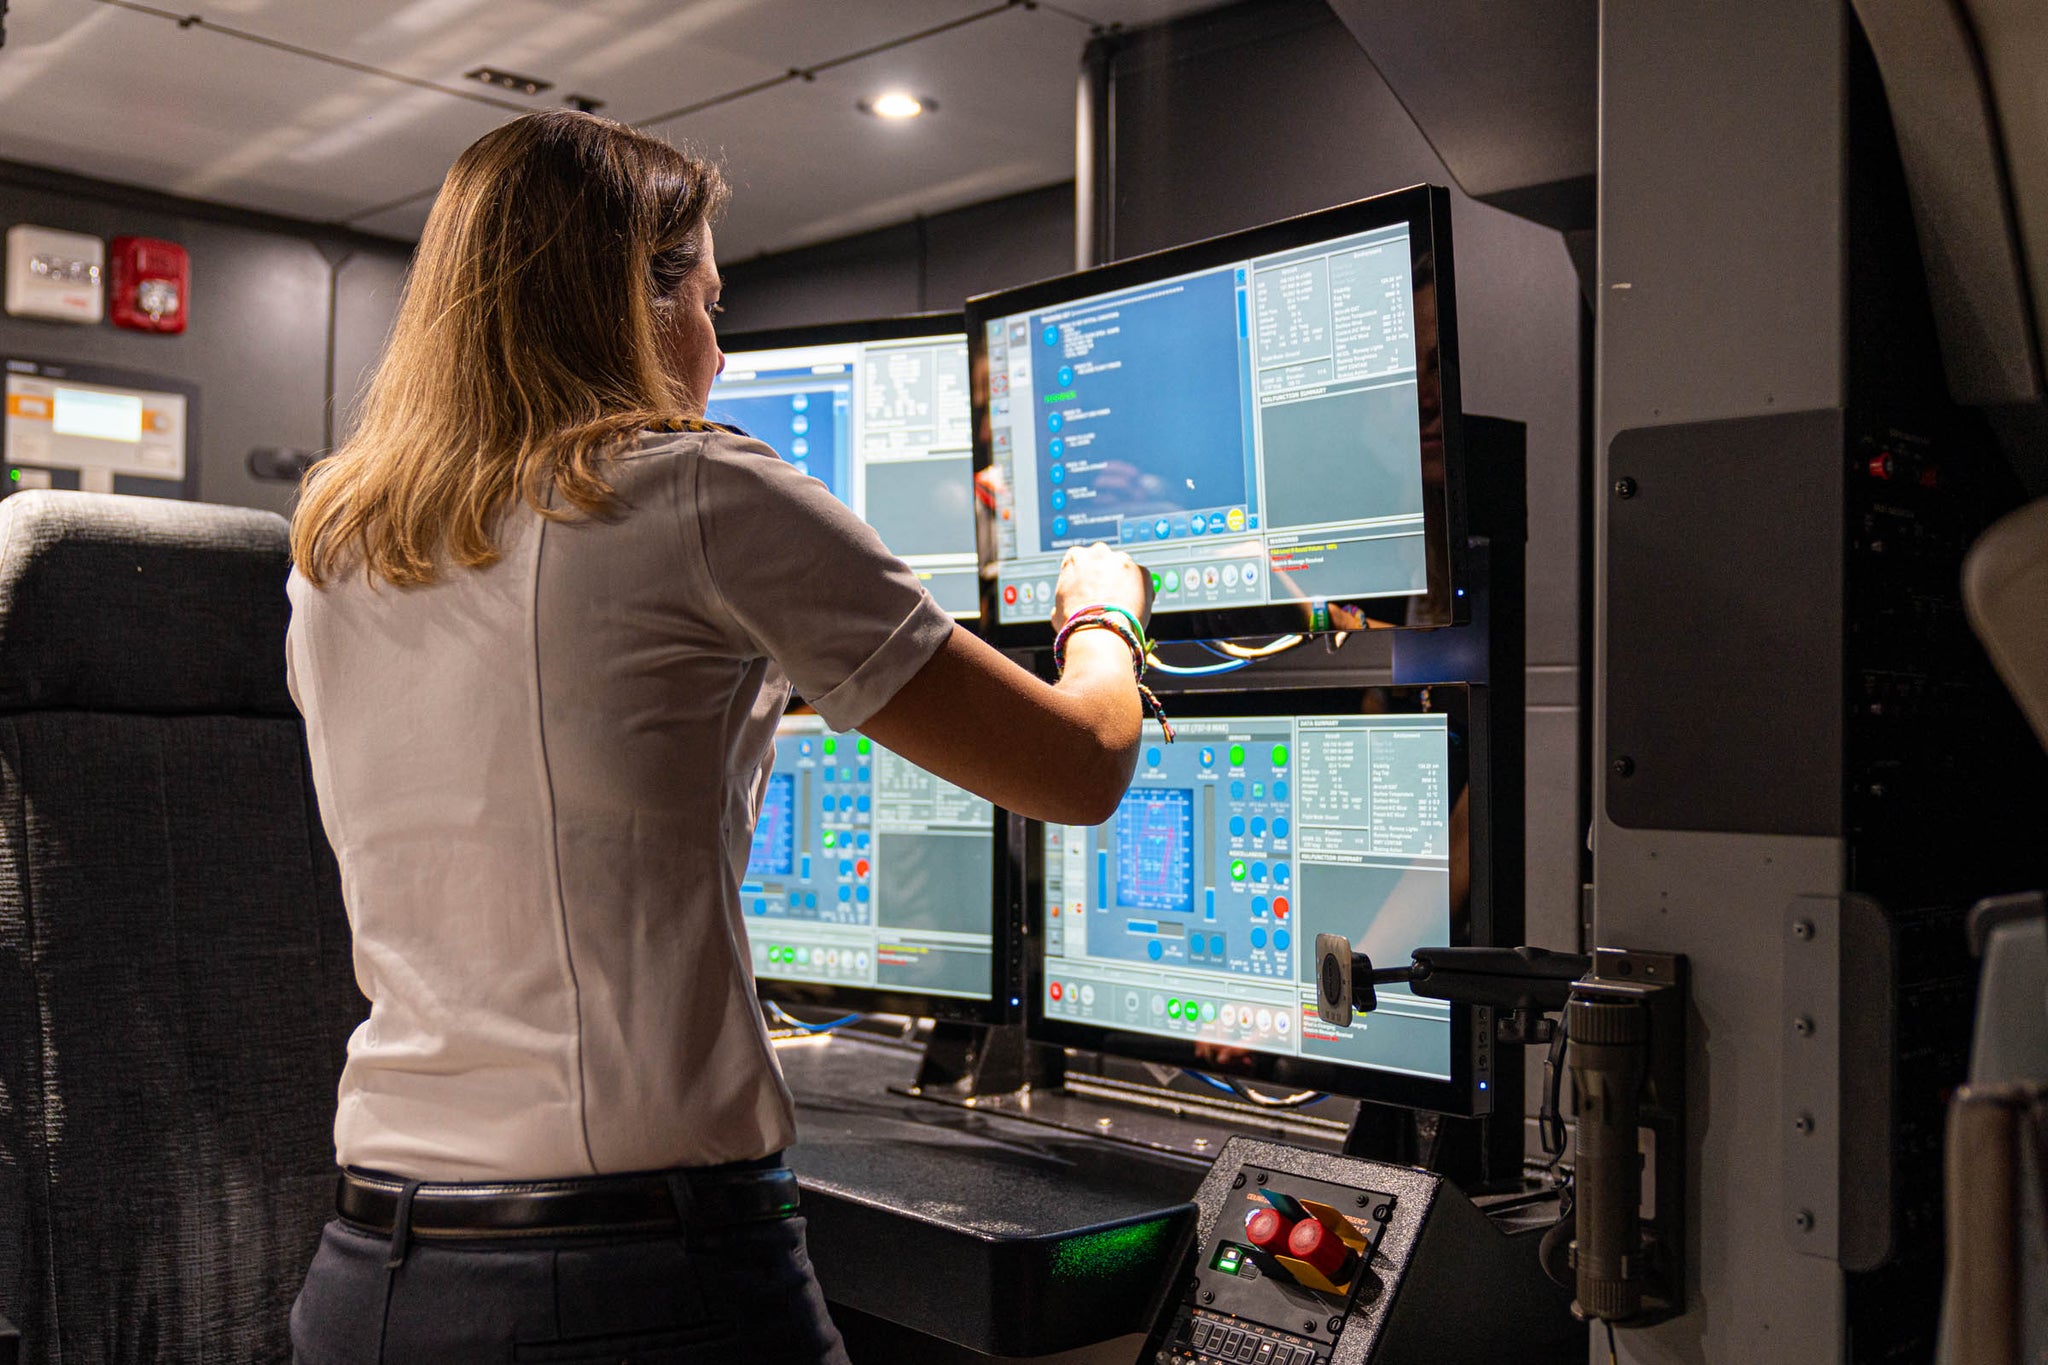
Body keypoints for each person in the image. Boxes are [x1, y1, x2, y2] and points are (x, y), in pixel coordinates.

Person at [283, 110, 1153, 1365]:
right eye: (707, 303)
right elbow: (1075, 764)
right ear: (635, 309)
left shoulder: (342, 547)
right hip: (626, 1279)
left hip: (374, 1279)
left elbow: (590, 732)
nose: (716, 348)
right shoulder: (696, 489)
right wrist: (1100, 615)